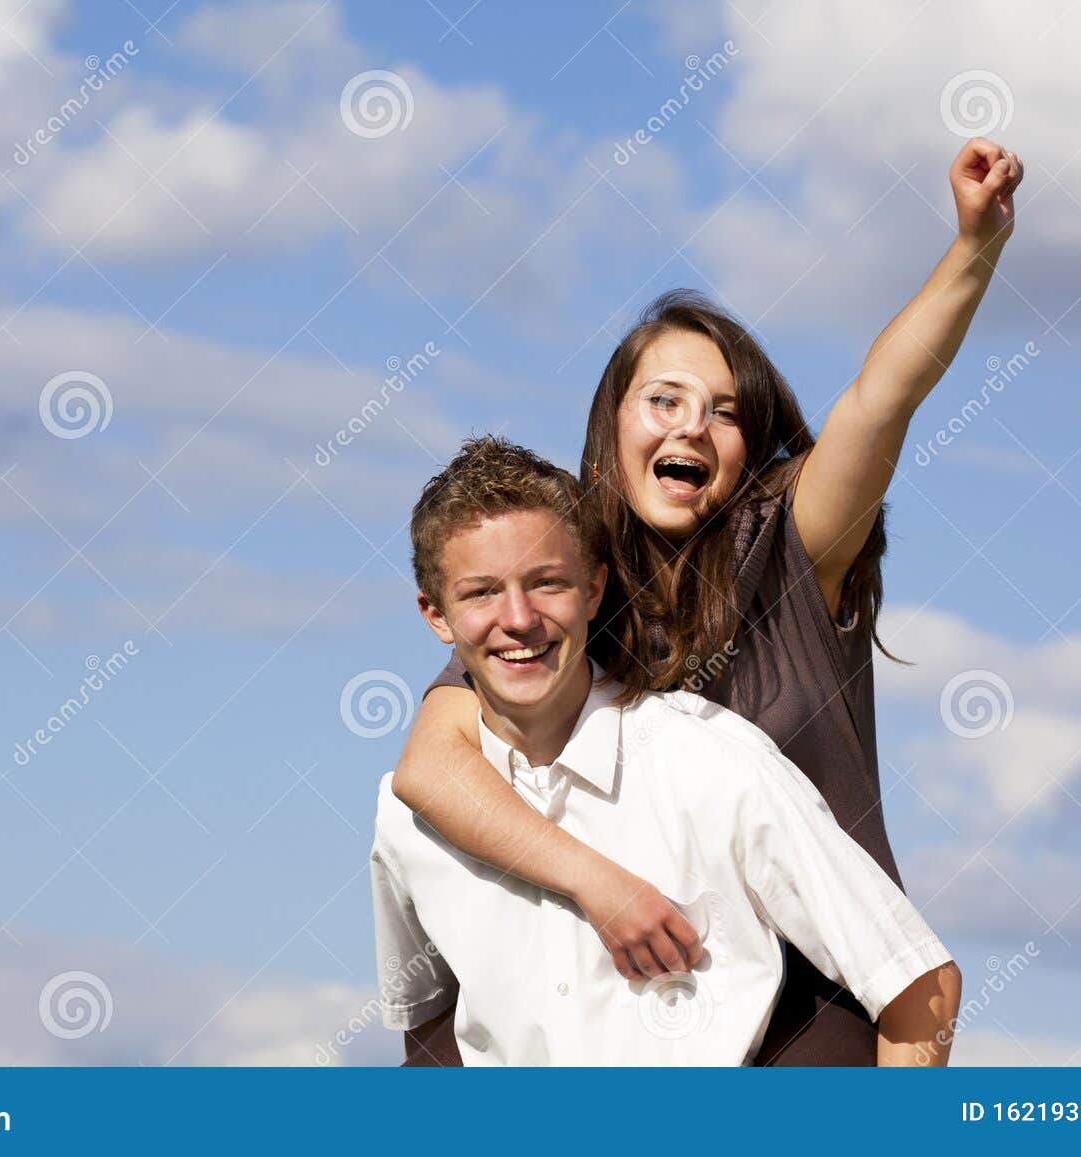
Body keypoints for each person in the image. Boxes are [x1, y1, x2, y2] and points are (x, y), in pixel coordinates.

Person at [391, 137, 1022, 1066]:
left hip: (825, 1017)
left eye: (726, 411)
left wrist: (974, 247)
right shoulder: (557, 600)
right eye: (666, 399)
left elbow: (882, 399)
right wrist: (601, 886)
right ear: (612, 426)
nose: (694, 424)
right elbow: (429, 773)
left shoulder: (790, 546)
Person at [371, 436, 960, 1065]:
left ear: (593, 590)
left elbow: (921, 985)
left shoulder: (714, 765)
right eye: (481, 592)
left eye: (546, 583)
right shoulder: (403, 820)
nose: (518, 618)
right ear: (435, 615)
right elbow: (428, 1027)